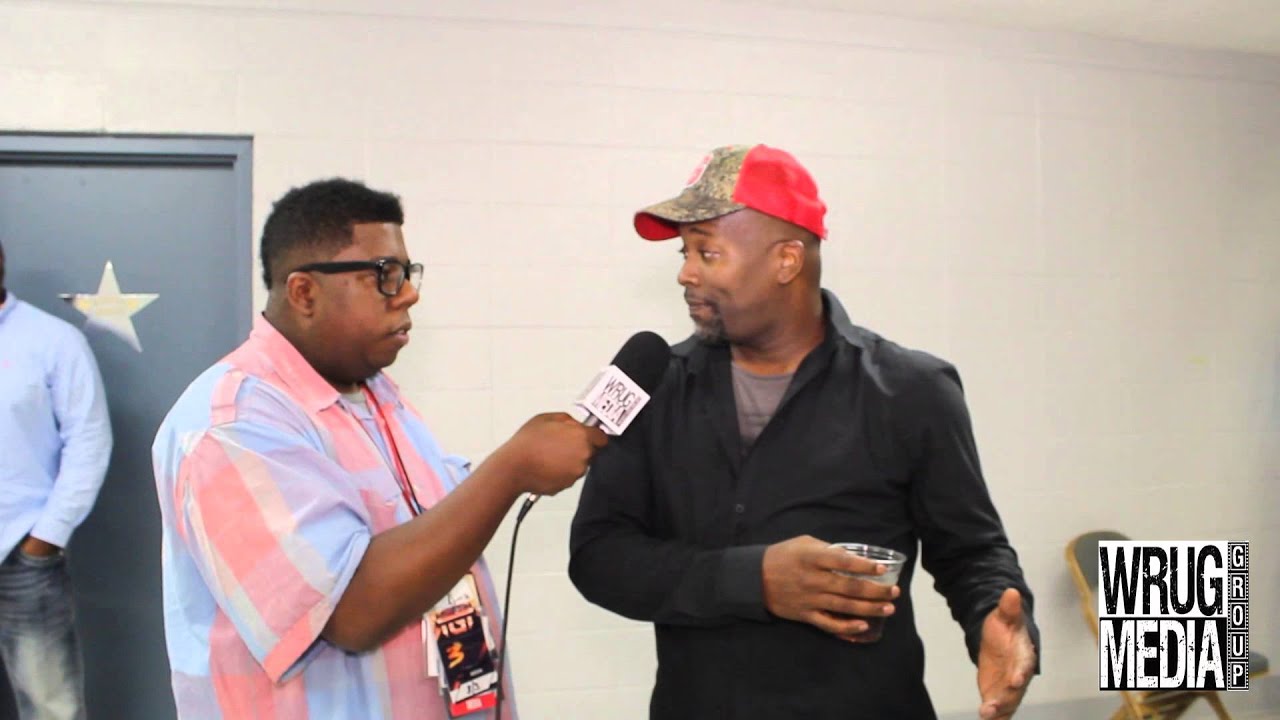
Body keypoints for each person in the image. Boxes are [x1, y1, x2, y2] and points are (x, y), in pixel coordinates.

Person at [569, 145, 1040, 719]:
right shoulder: (654, 385)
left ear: (787, 261)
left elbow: (971, 551)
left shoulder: (911, 390)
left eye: (707, 252)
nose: (685, 273)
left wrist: (995, 618)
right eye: (684, 252)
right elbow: (598, 557)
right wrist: (753, 580)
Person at [151, 178, 606, 719]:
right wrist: (511, 470)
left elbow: (431, 536)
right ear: (304, 293)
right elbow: (351, 612)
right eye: (385, 275)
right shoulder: (232, 425)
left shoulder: (375, 392)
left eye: (408, 273)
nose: (408, 293)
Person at [0, 239, 113, 720]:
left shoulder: (54, 341)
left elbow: (89, 440)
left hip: (22, 554)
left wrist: (45, 538)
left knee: (51, 708)